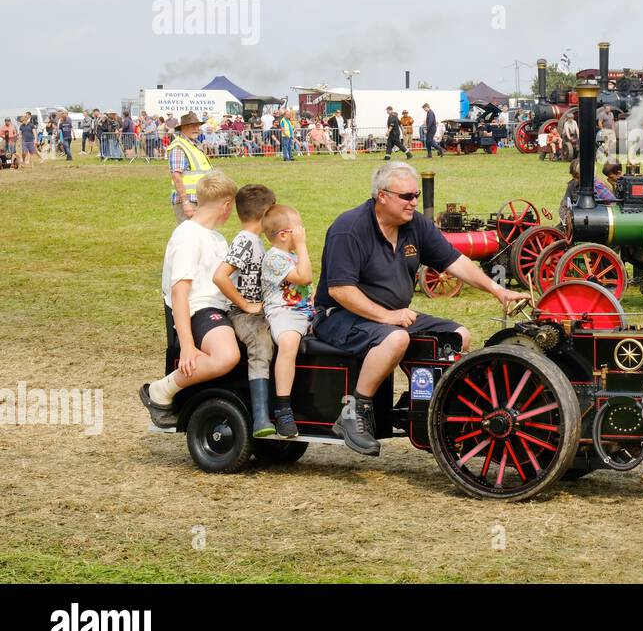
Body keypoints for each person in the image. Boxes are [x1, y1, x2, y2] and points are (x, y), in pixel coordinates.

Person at [312, 162, 530, 455]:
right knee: (396, 337)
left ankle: (429, 407)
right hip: (339, 316)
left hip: (391, 317)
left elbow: (455, 261)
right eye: (406, 196)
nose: (414, 202)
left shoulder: (416, 225)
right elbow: (340, 290)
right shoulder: (348, 228)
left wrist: (497, 290)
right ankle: (354, 413)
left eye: (416, 195)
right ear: (382, 196)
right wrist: (388, 317)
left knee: (458, 335)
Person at [139, 171, 242, 428]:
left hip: (220, 308)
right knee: (226, 356)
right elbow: (180, 293)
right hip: (200, 311)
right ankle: (160, 390)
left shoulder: (217, 238)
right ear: (227, 205)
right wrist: (186, 345)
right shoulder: (187, 236)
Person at [212, 183, 278, 437]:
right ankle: (261, 418)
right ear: (265, 213)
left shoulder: (256, 241)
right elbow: (220, 276)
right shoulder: (245, 241)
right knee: (261, 345)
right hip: (245, 315)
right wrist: (244, 305)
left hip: (260, 310)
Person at [260, 203, 315, 437]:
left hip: (304, 311)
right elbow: (304, 277)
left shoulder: (291, 255)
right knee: (289, 342)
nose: (302, 232)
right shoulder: (274, 258)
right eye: (298, 229)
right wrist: (302, 245)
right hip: (284, 313)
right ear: (284, 235)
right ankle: (283, 408)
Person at [167, 111, 213, 225]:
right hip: (189, 202)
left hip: (200, 200)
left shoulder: (194, 144)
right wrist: (186, 202)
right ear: (183, 128)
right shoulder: (179, 146)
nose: (196, 128)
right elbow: (176, 176)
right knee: (189, 239)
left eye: (197, 125)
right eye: (192, 126)